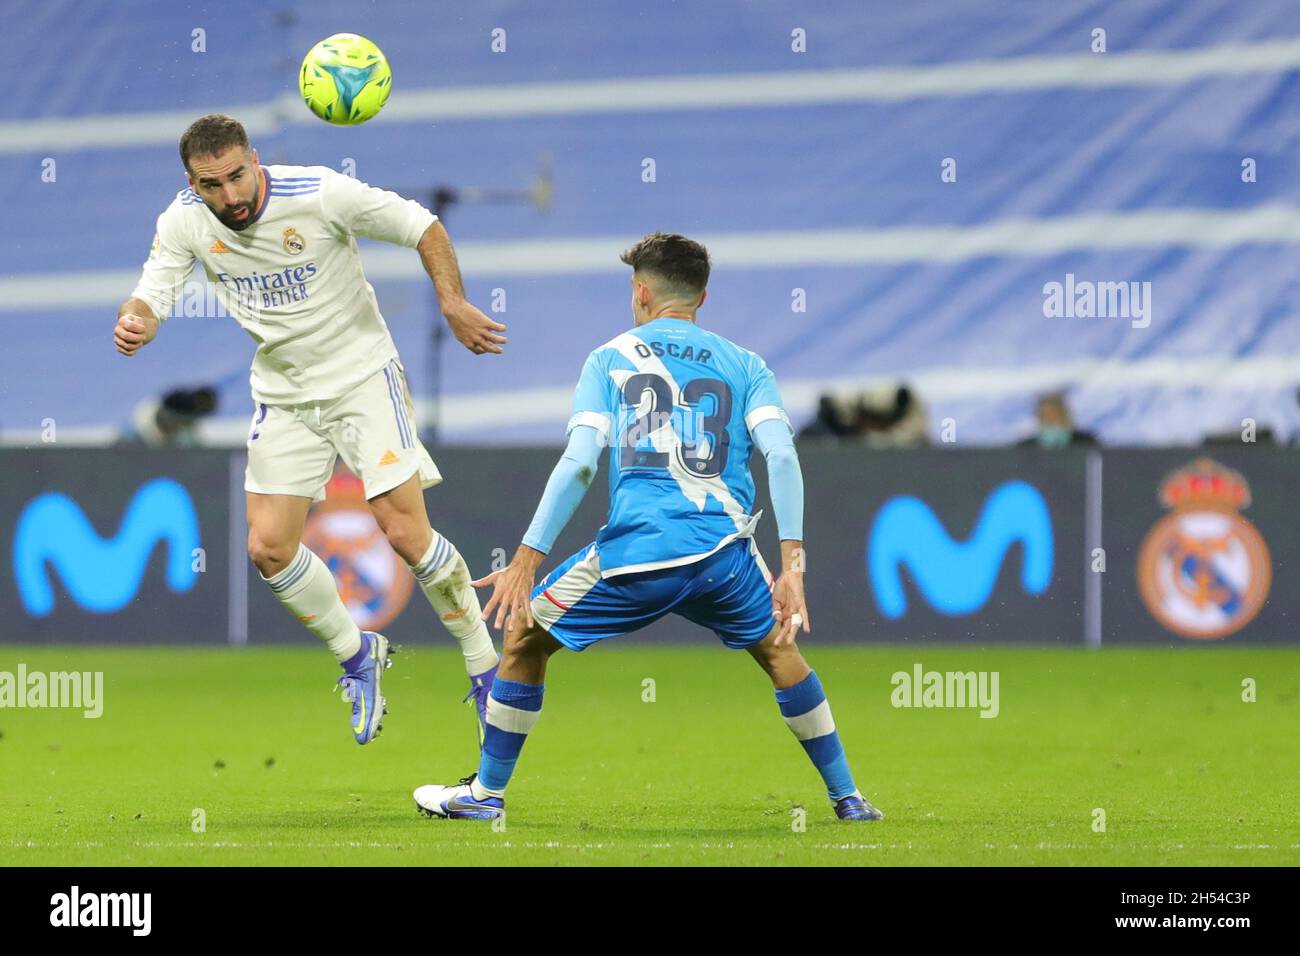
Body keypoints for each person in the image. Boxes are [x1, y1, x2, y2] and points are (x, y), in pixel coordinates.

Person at [413, 232, 884, 822]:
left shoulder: (609, 358)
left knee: (525, 640)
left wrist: (528, 556)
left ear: (640, 292)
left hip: (636, 552)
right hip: (725, 555)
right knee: (780, 650)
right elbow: (782, 457)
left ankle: (485, 796)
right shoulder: (747, 364)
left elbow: (582, 461)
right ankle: (849, 798)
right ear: (702, 298)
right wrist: (792, 566)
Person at [113, 113, 504, 746]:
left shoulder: (319, 192)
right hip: (285, 392)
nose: (230, 197)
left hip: (361, 377)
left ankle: (486, 668)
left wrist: (452, 301)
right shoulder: (182, 221)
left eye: (238, 176)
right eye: (211, 185)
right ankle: (358, 656)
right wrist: (135, 322)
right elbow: (149, 297)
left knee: (404, 531)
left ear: (255, 159)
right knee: (268, 548)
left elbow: (422, 225)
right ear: (192, 183)